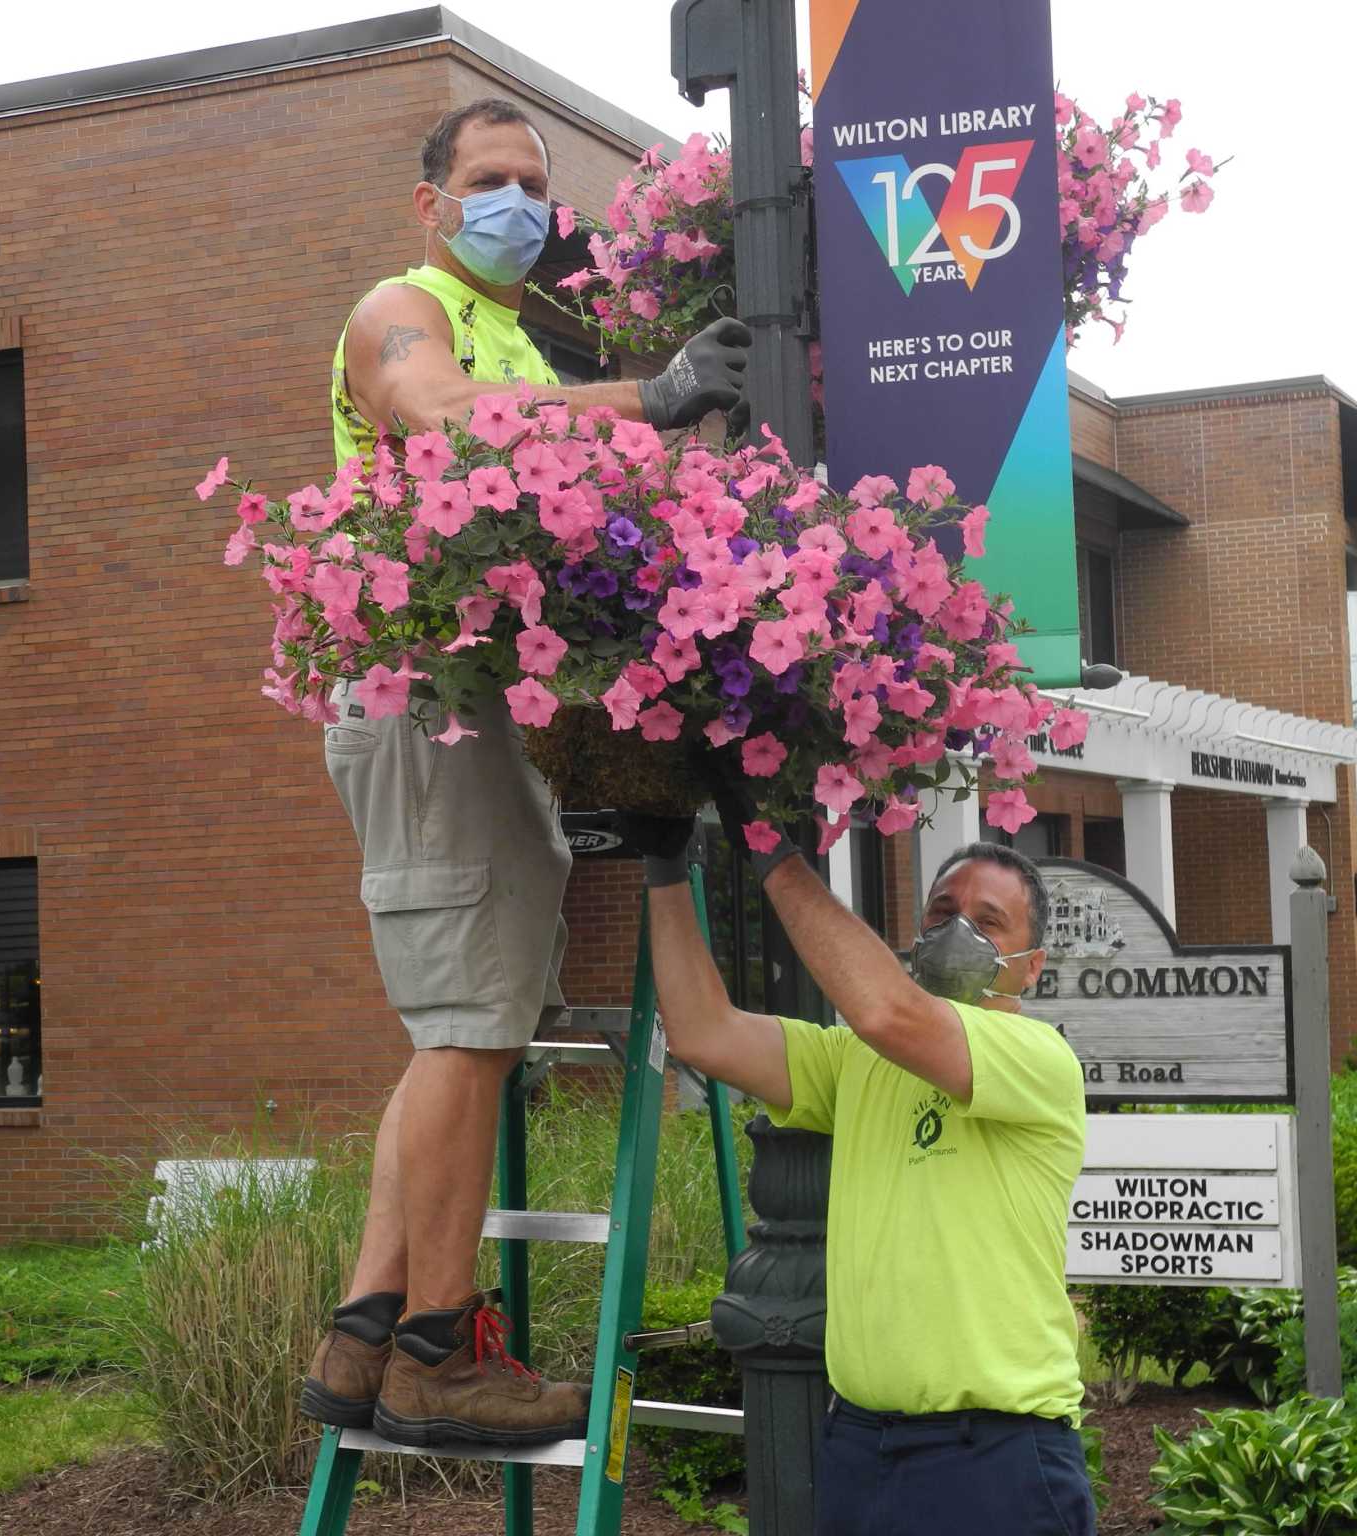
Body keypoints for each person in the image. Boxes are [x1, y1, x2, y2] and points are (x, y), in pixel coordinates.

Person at [299, 98, 751, 1449]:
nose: (517, 204)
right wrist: (654, 394)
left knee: (468, 1021)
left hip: (477, 708)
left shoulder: (516, 334)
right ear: (430, 203)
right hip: (423, 697)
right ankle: (441, 1353)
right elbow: (435, 420)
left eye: (534, 186)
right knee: (469, 1028)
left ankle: (367, 1337)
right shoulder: (404, 306)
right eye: (487, 179)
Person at [628, 806, 1096, 1536]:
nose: (956, 931)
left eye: (988, 919)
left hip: (997, 1454)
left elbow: (886, 1011)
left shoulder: (1038, 1059)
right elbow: (702, 1031)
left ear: (1031, 966)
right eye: (942, 911)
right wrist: (664, 872)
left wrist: (770, 850)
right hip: (860, 1448)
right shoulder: (856, 1061)